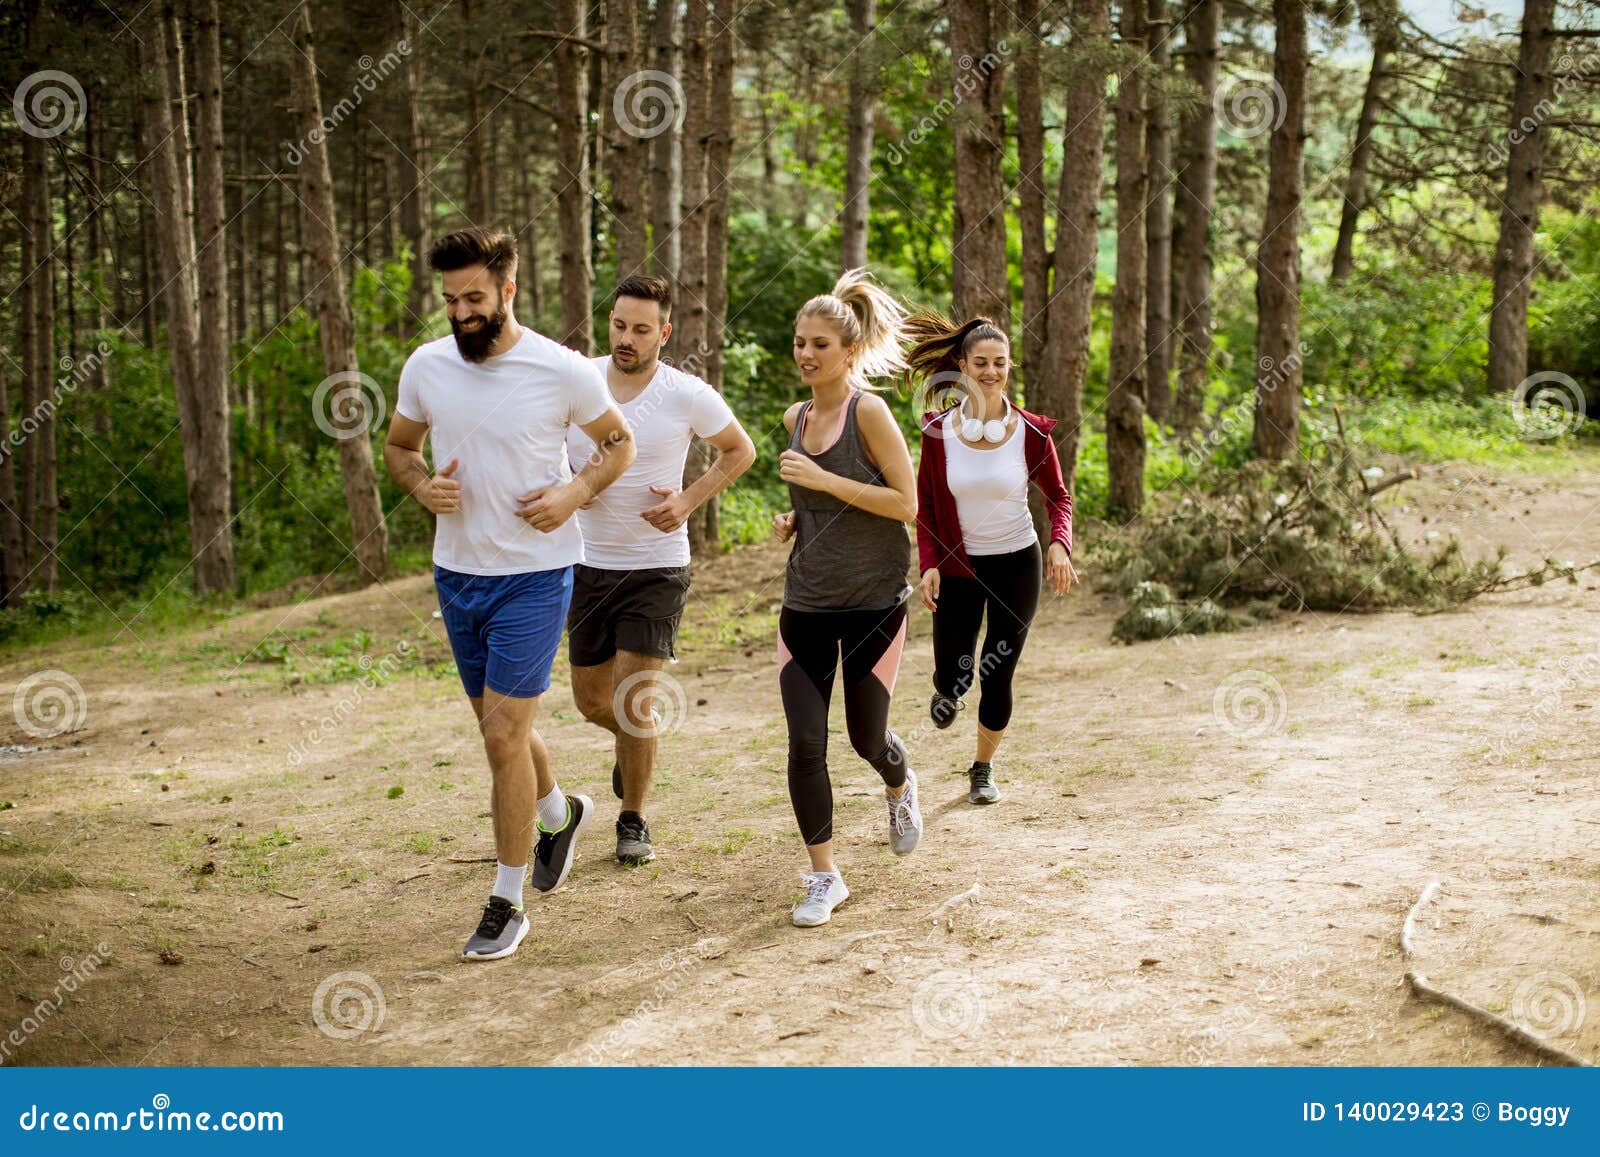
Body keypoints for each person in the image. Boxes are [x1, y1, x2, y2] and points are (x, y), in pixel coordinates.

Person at [383, 228, 636, 961]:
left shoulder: (559, 369)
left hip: (536, 571)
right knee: (507, 730)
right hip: (457, 574)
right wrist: (420, 484)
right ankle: (561, 812)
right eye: (451, 300)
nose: (461, 312)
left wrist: (576, 490)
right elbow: (399, 449)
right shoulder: (426, 366)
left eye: (474, 298)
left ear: (508, 291)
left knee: (500, 737)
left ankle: (507, 898)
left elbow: (618, 443)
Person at [566, 275, 756, 866]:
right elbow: (541, 438)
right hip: (583, 561)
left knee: (633, 700)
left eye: (641, 329)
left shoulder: (685, 393)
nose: (626, 337)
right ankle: (633, 753)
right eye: (619, 325)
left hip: (656, 567)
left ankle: (634, 820)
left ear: (664, 333)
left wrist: (687, 501)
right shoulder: (579, 379)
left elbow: (740, 450)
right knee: (592, 703)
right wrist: (572, 486)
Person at [771, 268, 922, 928]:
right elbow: (811, 503)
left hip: (873, 602)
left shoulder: (871, 413)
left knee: (866, 737)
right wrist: (794, 518)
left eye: (820, 345)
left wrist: (823, 484)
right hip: (805, 600)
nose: (806, 354)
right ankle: (824, 875)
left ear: (851, 351)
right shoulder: (794, 416)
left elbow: (908, 506)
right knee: (806, 742)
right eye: (800, 342)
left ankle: (899, 782)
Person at [905, 312, 1075, 805]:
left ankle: (982, 768)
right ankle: (947, 689)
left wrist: (1059, 543)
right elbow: (928, 505)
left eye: (1000, 363)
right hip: (960, 568)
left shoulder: (1031, 433)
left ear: (1009, 367)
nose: (990, 371)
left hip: (1017, 565)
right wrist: (929, 563)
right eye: (980, 362)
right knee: (954, 674)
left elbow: (1058, 498)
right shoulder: (939, 432)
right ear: (961, 365)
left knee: (996, 671)